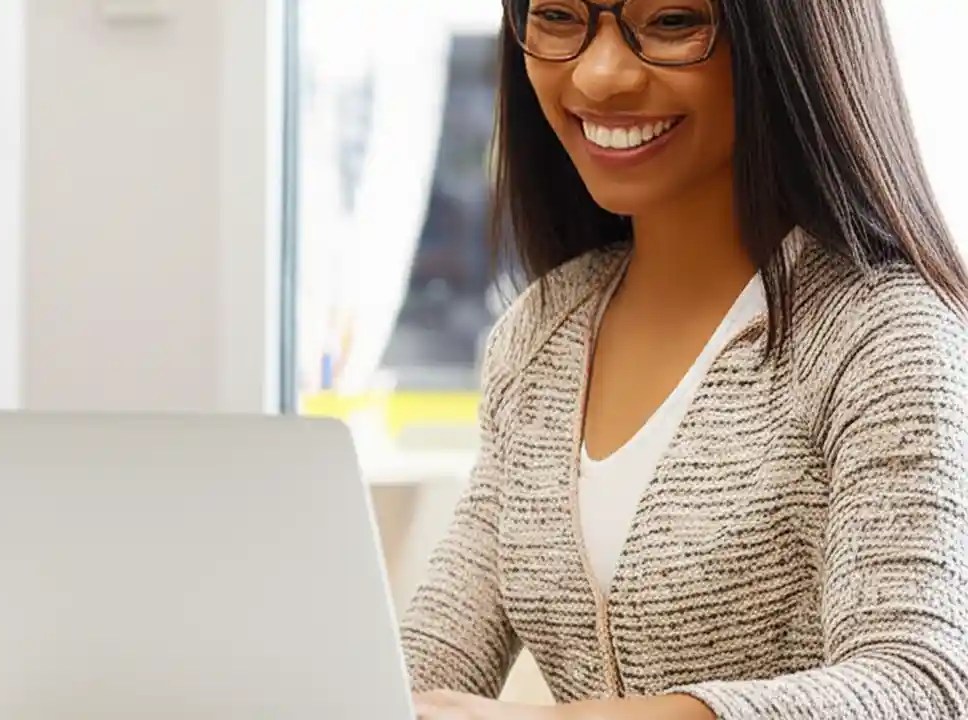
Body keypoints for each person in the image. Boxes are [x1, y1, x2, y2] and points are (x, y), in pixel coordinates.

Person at [401, 1, 968, 719]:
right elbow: (417, 672)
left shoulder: (885, 333)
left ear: (787, 40)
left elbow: (920, 686)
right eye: (556, 16)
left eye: (671, 22)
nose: (600, 73)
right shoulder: (543, 331)